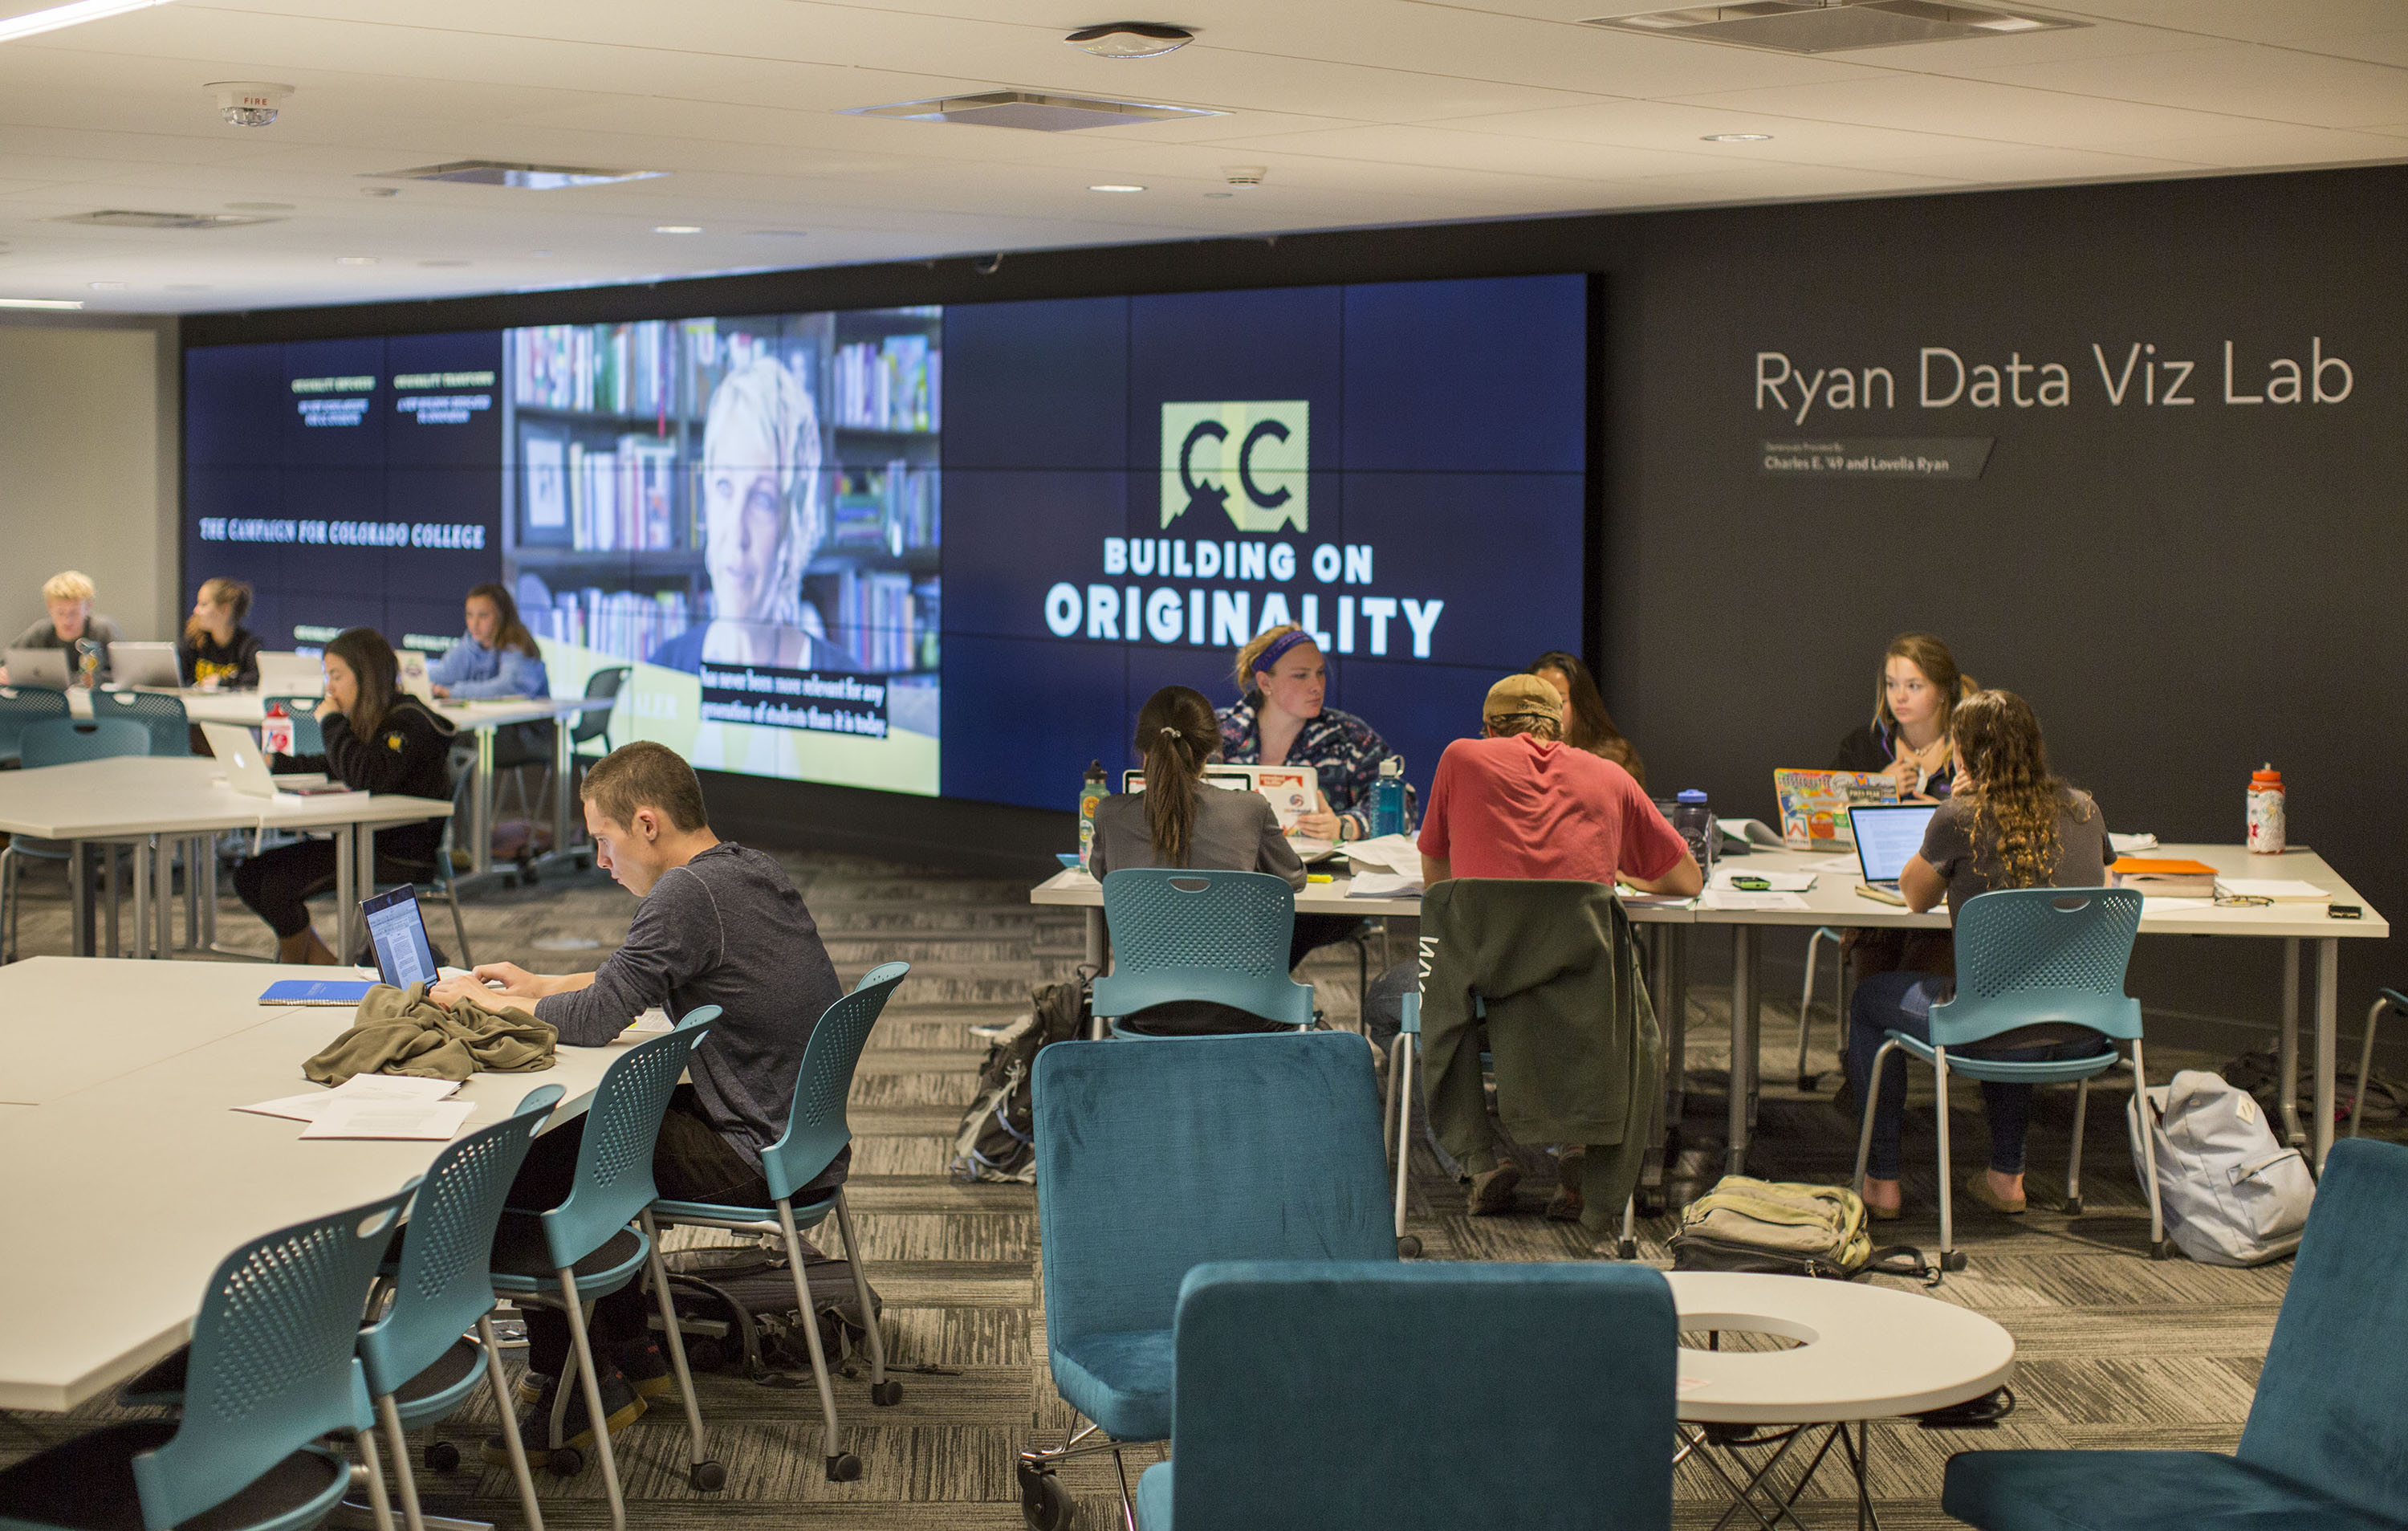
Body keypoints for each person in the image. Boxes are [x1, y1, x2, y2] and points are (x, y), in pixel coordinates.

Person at [425, 741, 844, 1467]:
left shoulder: (684, 895)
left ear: (646, 823)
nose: (598, 859)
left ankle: (573, 1386)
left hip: (751, 1151)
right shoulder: (743, 868)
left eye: (602, 839)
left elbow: (596, 1019)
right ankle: (630, 1348)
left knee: (537, 1156)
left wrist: (480, 1007)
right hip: (799, 1137)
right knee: (595, 1132)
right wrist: (535, 984)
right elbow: (632, 976)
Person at [1370, 674, 1699, 1220]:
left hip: (1481, 989)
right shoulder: (1609, 775)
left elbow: (1437, 878)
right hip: (1586, 1000)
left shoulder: (1461, 758)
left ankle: (1480, 1161)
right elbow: (1686, 879)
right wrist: (1626, 878)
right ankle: (1577, 1150)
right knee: (1558, 1013)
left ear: (1489, 728)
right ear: (1559, 727)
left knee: (1389, 999)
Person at [1845, 689, 2117, 1222]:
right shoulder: (2086, 809)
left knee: (1870, 1001)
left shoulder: (1959, 816)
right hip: (2082, 1025)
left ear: (1967, 755)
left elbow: (1913, 895)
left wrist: (1959, 803)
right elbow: (2107, 886)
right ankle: (2005, 1177)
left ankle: (1882, 1182)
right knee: (2015, 995)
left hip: (1992, 1029)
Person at [230, 628, 458, 965]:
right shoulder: (377, 717)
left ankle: (295, 969)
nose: (329, 688)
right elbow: (339, 764)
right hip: (363, 840)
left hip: (398, 851)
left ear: (364, 676)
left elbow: (366, 772)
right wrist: (276, 763)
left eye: (336, 676)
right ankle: (320, 961)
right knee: (249, 875)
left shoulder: (408, 722)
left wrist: (333, 721)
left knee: (276, 886)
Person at [1090, 685, 1307, 1034]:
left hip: (1144, 1011)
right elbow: (1293, 879)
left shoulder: (1110, 814)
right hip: (1244, 1009)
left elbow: (1102, 873)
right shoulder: (1250, 809)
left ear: (1144, 751)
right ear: (1210, 752)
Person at [647, 354, 858, 676]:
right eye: (724, 487)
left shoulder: (844, 684)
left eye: (762, 499)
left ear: (794, 527)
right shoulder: (664, 672)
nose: (736, 534)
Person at [1217, 624, 1407, 967]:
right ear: (1265, 683)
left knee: (1273, 919)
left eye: (1319, 673)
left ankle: (1250, 1004)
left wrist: (1347, 825)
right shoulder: (1219, 734)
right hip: (1231, 882)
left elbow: (1404, 800)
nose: (1317, 686)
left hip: (1318, 890)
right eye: (1301, 676)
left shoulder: (1349, 736)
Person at [1832, 632, 1978, 802]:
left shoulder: (1971, 750)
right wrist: (1879, 788)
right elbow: (1823, 807)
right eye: (1891, 684)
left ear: (1942, 692)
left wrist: (1943, 815)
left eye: (1913, 686)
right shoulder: (1862, 746)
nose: (1900, 696)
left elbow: (2003, 818)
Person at [1528, 649, 1645, 788]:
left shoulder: (1615, 758)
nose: (1546, 710)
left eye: (1559, 701)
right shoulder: (1523, 756)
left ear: (1581, 702)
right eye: (1538, 700)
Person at [2, 570, 123, 688]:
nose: (67, 620)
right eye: (60, 613)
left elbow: (123, 674)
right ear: (49, 607)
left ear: (88, 607)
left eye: (74, 612)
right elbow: (7, 661)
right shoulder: (41, 632)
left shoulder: (103, 630)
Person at [428, 582, 549, 699]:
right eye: (469, 615)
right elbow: (442, 674)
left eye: (483, 615)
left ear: (502, 616)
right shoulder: (470, 644)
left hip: (528, 719)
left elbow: (507, 688)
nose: (474, 624)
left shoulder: (518, 645)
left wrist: (453, 693)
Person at [178, 576, 262, 690]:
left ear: (225, 609)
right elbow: (177, 675)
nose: (196, 610)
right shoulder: (194, 641)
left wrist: (223, 682)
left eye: (203, 604)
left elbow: (258, 677)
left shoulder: (248, 646)